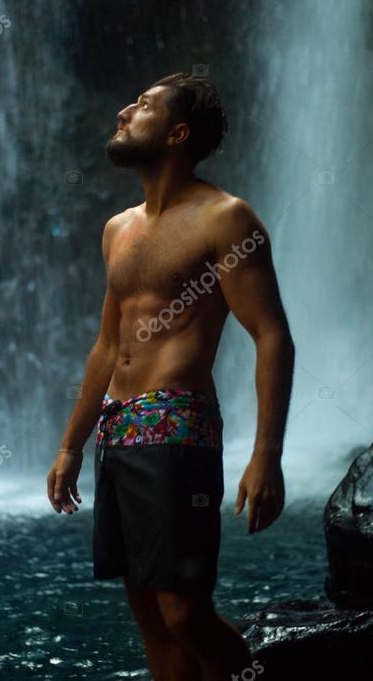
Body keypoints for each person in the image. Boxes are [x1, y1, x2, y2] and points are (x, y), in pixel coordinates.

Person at [46, 71, 294, 681]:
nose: (127, 109)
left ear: (178, 133)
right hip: (118, 431)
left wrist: (267, 456)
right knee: (148, 613)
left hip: (178, 425)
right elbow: (108, 344)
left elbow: (271, 335)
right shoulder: (118, 229)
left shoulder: (224, 219)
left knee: (183, 611)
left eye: (146, 105)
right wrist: (69, 445)